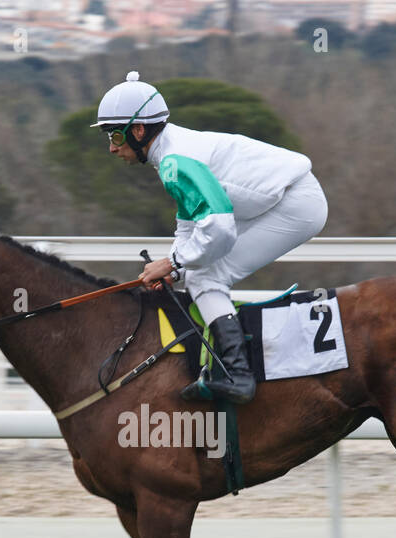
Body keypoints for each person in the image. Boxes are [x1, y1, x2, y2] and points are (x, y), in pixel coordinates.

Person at [94, 71, 328, 404]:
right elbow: (189, 224)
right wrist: (173, 269)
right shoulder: (171, 153)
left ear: (138, 130)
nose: (112, 148)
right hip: (283, 200)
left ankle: (237, 374)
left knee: (205, 275)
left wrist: (173, 263)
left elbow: (218, 230)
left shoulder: (175, 161)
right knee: (195, 270)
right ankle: (228, 364)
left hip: (296, 204)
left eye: (114, 136)